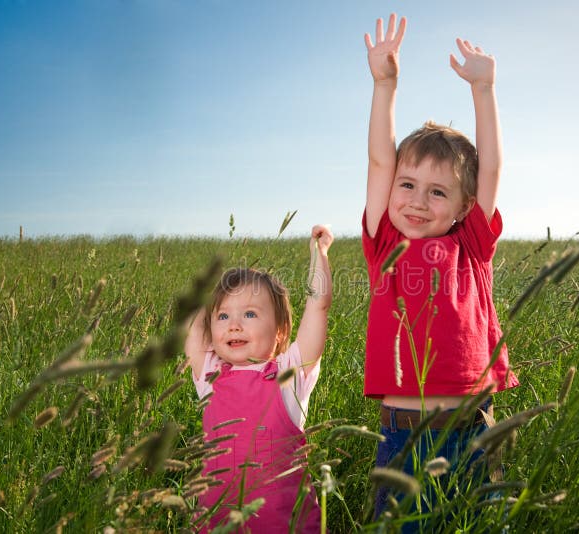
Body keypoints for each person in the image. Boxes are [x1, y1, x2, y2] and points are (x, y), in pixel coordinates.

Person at [362, 13, 520, 523]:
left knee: (476, 523)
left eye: (437, 192)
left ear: (462, 205)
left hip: (473, 429)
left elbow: (491, 167)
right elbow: (380, 161)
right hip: (403, 434)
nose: (417, 201)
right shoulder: (384, 241)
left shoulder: (472, 242)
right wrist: (385, 86)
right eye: (407, 186)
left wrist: (484, 89)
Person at [185, 225, 333, 533]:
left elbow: (318, 306)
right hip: (218, 524)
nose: (234, 325)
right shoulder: (211, 376)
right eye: (223, 316)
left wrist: (320, 255)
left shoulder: (288, 374)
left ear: (280, 331)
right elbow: (192, 328)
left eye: (250, 314)